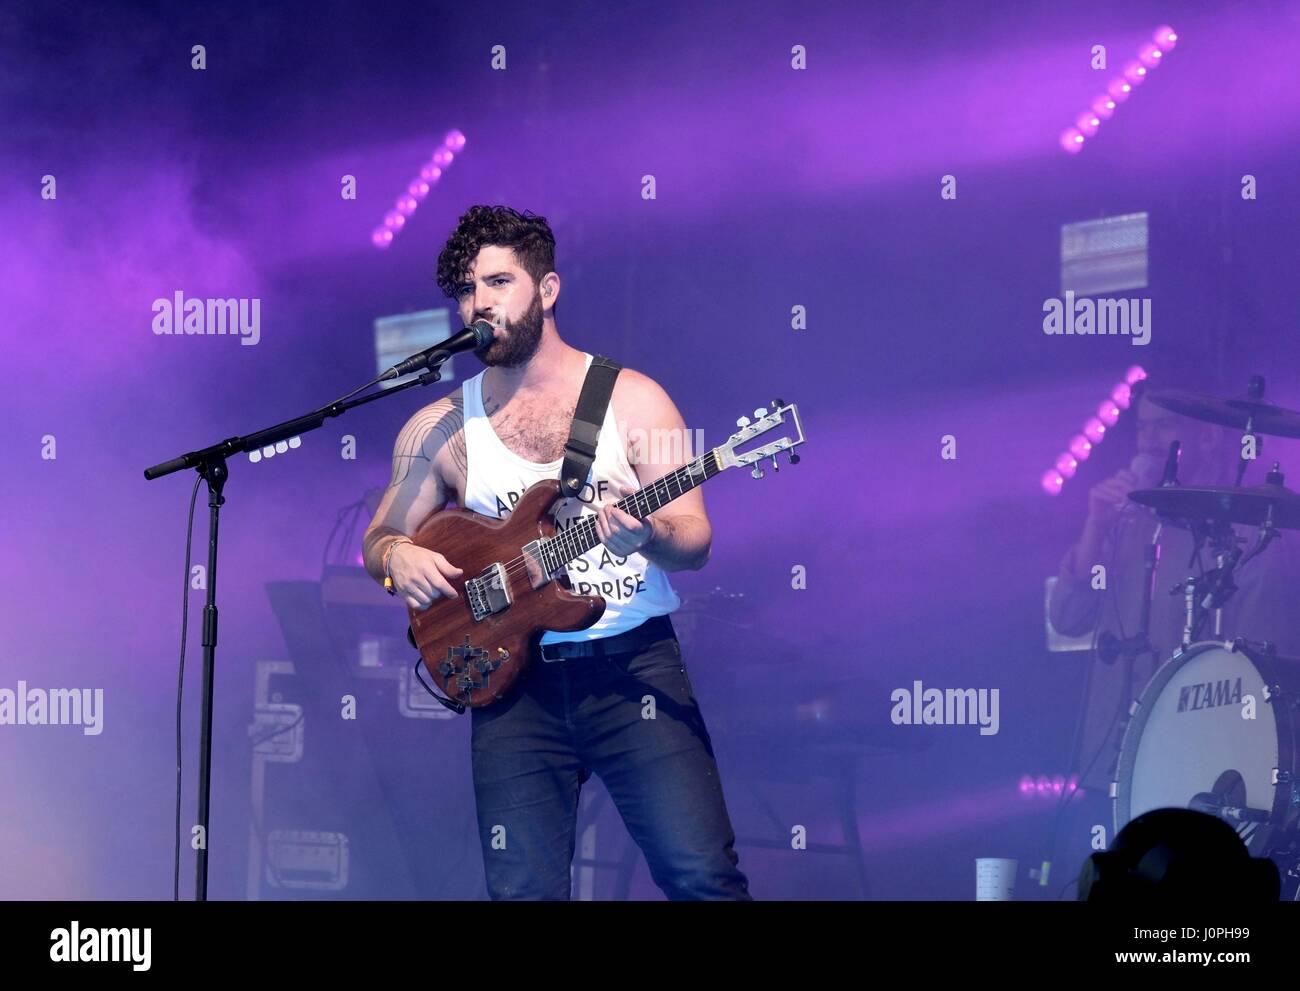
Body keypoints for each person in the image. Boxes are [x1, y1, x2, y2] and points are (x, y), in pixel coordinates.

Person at [363, 205, 751, 900]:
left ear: (546, 290)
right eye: (467, 290)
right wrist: (398, 556)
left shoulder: (637, 400)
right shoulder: (442, 425)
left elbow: (694, 539)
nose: (480, 303)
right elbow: (380, 537)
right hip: (513, 684)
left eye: (499, 282)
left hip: (632, 670)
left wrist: (650, 535)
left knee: (702, 876)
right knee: (522, 892)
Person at [1047, 376, 1300, 893]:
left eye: (1164, 427)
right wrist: (1095, 525)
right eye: (1143, 428)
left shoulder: (1251, 530)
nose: (1149, 441)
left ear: (1206, 438)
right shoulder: (1129, 520)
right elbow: (1067, 617)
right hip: (1115, 746)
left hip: (1208, 753)